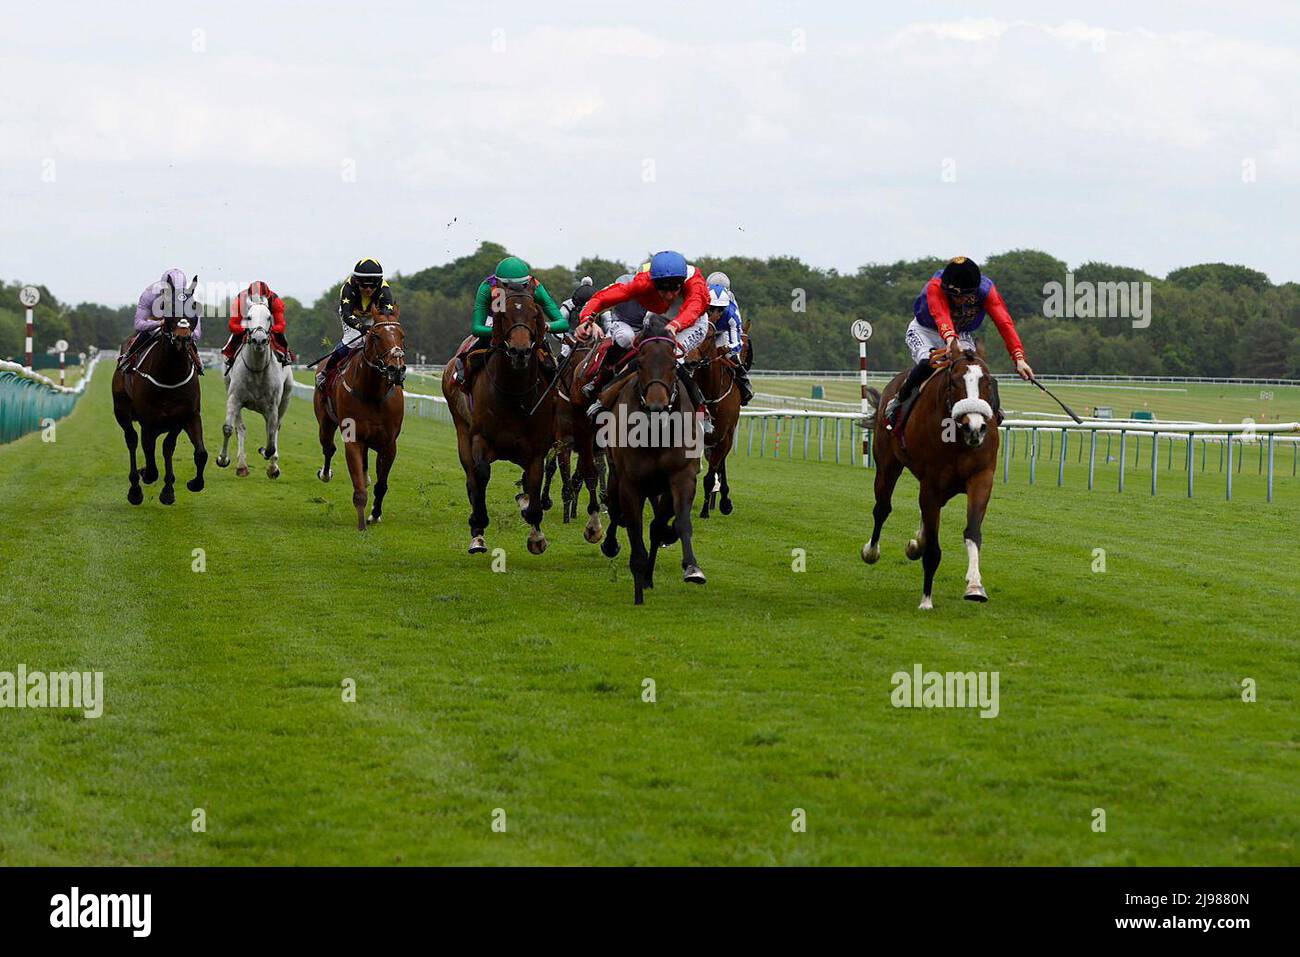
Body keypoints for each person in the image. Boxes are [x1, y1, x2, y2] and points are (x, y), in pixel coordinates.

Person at [883, 256, 1034, 428]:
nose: (956, 300)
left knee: (974, 367)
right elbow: (942, 317)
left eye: (961, 296)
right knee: (928, 363)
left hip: (961, 332)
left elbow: (1004, 324)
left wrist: (1019, 358)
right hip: (925, 331)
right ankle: (898, 401)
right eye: (952, 295)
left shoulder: (987, 291)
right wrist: (950, 340)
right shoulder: (935, 286)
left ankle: (994, 408)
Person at [573, 250, 712, 429]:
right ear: (653, 282)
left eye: (674, 288)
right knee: (644, 353)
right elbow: (603, 298)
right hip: (662, 316)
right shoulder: (642, 282)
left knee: (671, 355)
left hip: (694, 322)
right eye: (662, 288)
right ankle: (605, 390)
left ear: (682, 282)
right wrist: (586, 319)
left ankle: (701, 409)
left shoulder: (695, 284)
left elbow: (693, 309)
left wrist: (675, 326)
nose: (669, 295)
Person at [451, 256, 569, 386]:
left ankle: (554, 391)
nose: (515, 290)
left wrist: (544, 327)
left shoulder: (535, 287)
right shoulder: (488, 287)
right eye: (508, 286)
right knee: (473, 357)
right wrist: (498, 332)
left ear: (527, 282)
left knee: (549, 364)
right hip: (495, 321)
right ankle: (462, 374)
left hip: (526, 324)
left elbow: (563, 323)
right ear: (499, 282)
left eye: (522, 286)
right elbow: (477, 328)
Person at [316, 258, 395, 388]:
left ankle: (391, 371)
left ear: (378, 283)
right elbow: (347, 315)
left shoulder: (385, 290)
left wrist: (378, 324)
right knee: (353, 340)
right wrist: (361, 327)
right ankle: (325, 372)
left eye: (372, 285)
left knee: (380, 340)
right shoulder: (347, 288)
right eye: (364, 286)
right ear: (357, 282)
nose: (368, 289)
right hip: (351, 315)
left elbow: (388, 310)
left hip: (372, 315)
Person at [120, 268, 203, 371]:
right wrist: (159, 323)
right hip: (153, 324)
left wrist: (186, 331)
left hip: (175, 328)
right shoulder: (149, 295)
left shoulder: (188, 300)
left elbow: (197, 334)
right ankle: (127, 357)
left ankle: (198, 363)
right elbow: (138, 324)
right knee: (146, 333)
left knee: (186, 338)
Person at [222, 281, 295, 374]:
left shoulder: (275, 300)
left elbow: (281, 325)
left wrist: (271, 330)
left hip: (267, 323)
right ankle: (229, 355)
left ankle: (285, 354)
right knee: (236, 335)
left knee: (279, 334)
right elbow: (233, 325)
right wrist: (244, 330)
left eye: (261, 298)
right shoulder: (241, 300)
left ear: (267, 296)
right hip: (247, 323)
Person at [704, 278, 753, 405]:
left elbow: (737, 342)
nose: (716, 313)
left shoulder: (732, 313)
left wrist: (727, 348)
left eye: (720, 309)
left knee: (733, 357)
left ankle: (744, 385)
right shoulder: (699, 307)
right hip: (703, 330)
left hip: (722, 333)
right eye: (712, 308)